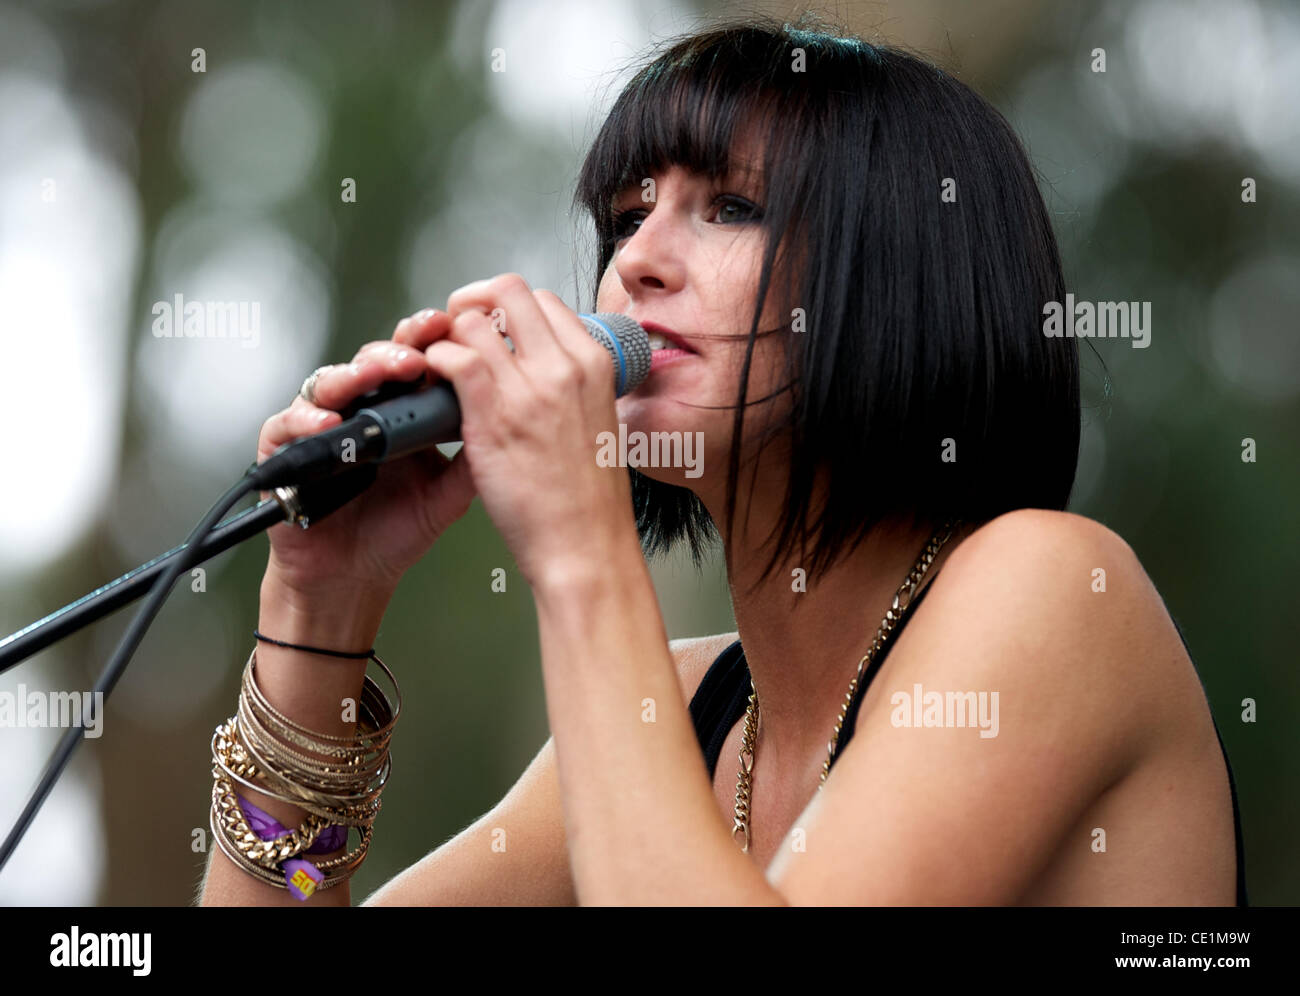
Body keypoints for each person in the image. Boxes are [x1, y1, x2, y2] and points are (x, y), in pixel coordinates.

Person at [199, 16, 1245, 906]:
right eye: (624, 217)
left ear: (898, 280)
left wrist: (575, 541)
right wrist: (318, 615)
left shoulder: (1057, 588)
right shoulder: (686, 706)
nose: (634, 260)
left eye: (730, 207)